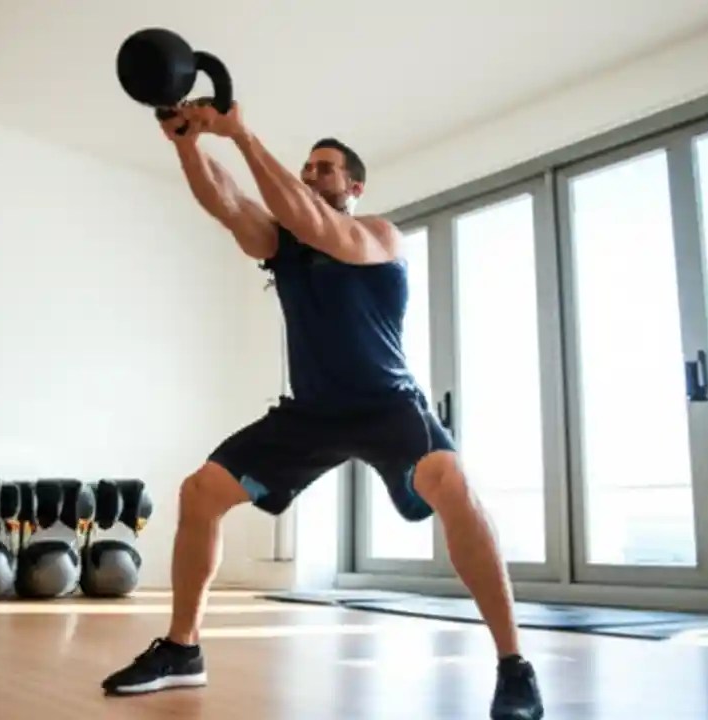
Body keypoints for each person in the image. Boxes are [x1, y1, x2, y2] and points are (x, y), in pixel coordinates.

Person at [100, 100, 545, 720]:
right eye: (307, 167)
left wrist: (242, 134)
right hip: (310, 414)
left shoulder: (377, 236)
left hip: (386, 404)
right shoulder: (281, 246)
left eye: (325, 168)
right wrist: (187, 144)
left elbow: (315, 224)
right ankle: (182, 649)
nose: (311, 175)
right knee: (200, 492)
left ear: (354, 187)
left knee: (452, 481)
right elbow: (227, 201)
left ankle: (514, 665)